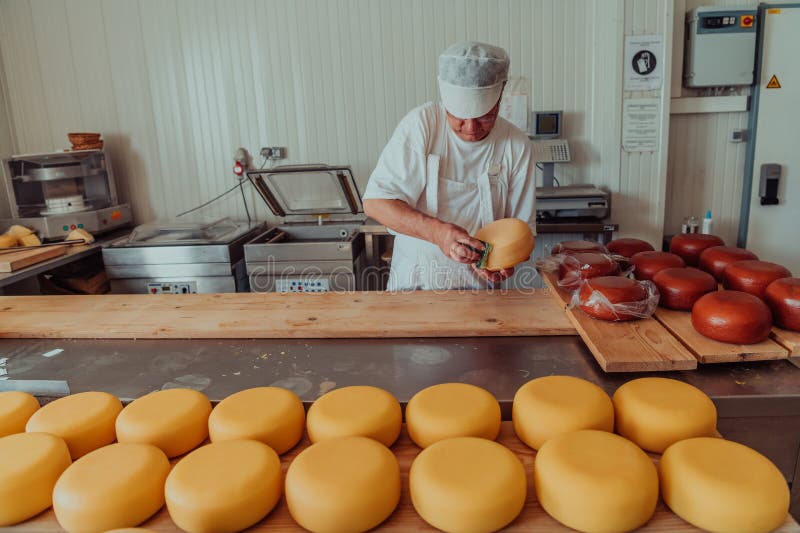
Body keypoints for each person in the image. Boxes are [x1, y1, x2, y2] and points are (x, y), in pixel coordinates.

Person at [363, 41, 536, 291]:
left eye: (484, 116)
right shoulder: (422, 125)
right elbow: (376, 203)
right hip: (414, 288)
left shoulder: (516, 145)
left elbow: (521, 232)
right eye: (458, 117)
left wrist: (505, 262)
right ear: (444, 101)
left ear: (500, 97)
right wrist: (439, 234)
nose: (471, 128)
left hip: (480, 296)